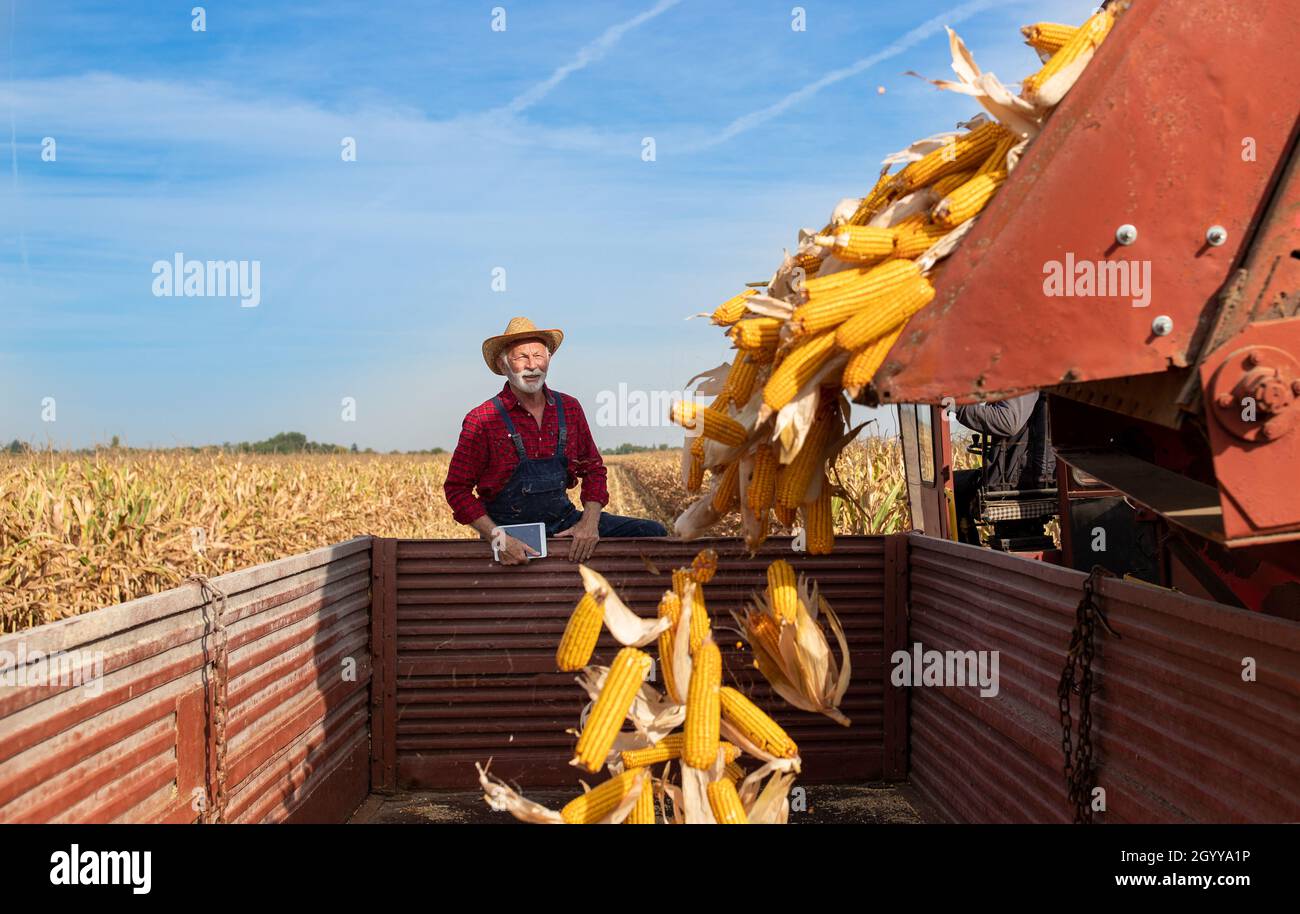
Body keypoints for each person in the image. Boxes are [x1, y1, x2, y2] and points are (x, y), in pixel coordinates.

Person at [443, 316, 668, 565]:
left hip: (564, 522)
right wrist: (498, 538)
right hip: (509, 532)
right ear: (503, 364)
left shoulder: (569, 408)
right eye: (521, 358)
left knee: (653, 533)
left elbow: (593, 468)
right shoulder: (483, 419)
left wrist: (589, 523)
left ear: (548, 359)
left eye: (538, 356)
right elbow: (456, 489)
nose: (532, 366)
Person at [952, 391, 1056, 545]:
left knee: (952, 487)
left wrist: (958, 407)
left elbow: (1008, 421)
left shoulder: (1021, 380)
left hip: (1013, 478)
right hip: (1019, 473)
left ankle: (967, 557)